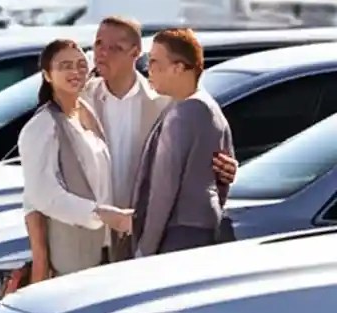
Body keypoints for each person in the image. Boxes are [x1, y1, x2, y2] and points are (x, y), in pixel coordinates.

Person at [19, 17, 238, 283]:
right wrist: (40, 259)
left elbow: (202, 130)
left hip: (138, 239)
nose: (102, 52)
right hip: (80, 245)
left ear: (136, 53)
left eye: (115, 47)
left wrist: (223, 168)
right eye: (99, 43)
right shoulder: (77, 99)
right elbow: (36, 192)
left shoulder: (165, 101)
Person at [18, 39, 133, 278]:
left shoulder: (86, 112)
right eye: (65, 66)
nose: (75, 71)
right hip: (71, 255)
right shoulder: (42, 125)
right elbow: (42, 195)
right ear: (47, 75)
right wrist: (99, 213)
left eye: (81, 65)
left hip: (105, 249)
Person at [130, 28, 235, 256]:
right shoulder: (207, 105)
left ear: (178, 68)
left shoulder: (185, 112)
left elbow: (164, 188)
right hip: (200, 226)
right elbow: (224, 175)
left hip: (179, 232)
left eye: (156, 62)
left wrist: (145, 249)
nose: (149, 69)